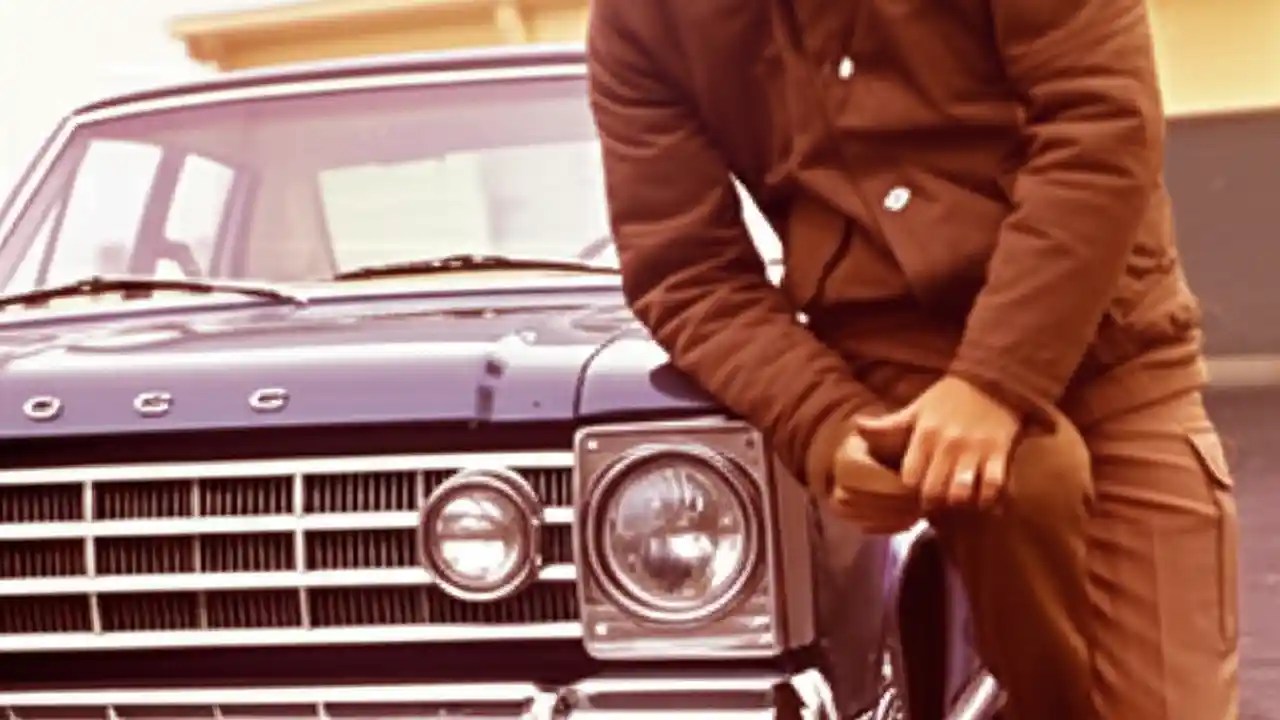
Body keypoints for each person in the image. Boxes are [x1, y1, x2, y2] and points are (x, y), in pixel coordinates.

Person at [586, 0, 1240, 718]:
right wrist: (827, 423)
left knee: (1171, 699)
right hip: (888, 379)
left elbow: (1099, 127)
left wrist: (995, 380)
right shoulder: (643, 19)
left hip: (1113, 362)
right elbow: (686, 270)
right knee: (1019, 484)